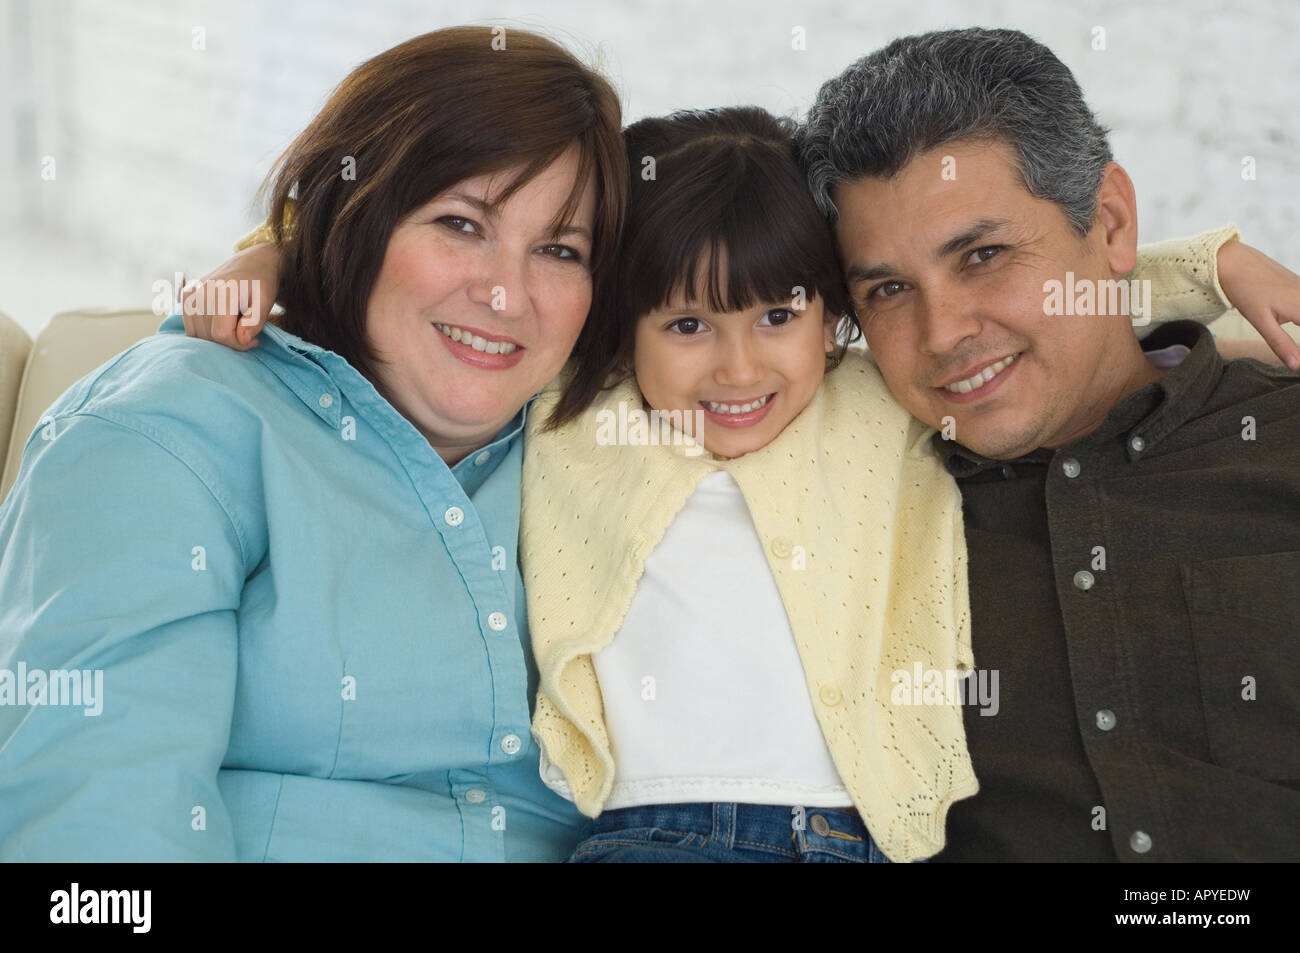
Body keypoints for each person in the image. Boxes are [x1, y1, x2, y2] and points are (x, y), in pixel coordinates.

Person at [182, 101, 1286, 862]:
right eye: (686, 323)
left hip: (868, 834)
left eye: (776, 313)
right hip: (644, 835)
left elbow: (1029, 292)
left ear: (832, 310)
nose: (740, 364)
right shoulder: (582, 402)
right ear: (623, 321)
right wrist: (266, 255)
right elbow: (414, 261)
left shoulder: (871, 394)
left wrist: (1217, 259)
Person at [0, 25, 627, 862]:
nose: (507, 294)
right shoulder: (175, 426)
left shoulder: (620, 445)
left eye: (558, 249)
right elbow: (97, 822)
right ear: (355, 218)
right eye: (460, 224)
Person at [799, 26, 1300, 861]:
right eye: (889, 288)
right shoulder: (854, 501)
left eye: (985, 254)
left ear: (1109, 223)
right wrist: (1210, 265)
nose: (944, 332)